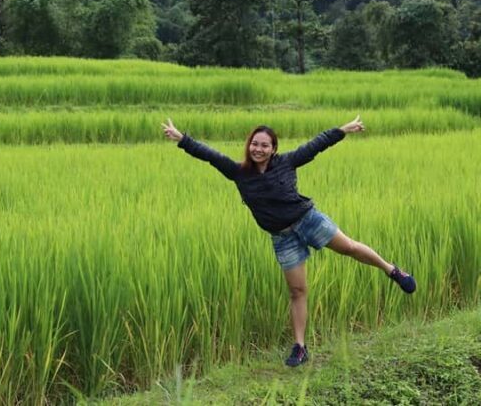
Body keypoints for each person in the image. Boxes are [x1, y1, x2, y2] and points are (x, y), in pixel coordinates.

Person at [161, 116, 416, 367]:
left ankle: (392, 270)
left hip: (309, 220)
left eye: (264, 145)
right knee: (297, 291)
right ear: (249, 145)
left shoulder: (287, 162)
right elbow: (210, 155)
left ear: (273, 149)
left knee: (349, 247)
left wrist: (343, 130)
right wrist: (181, 138)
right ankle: (300, 347)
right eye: (254, 144)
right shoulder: (239, 173)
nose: (258, 149)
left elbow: (316, 144)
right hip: (283, 238)